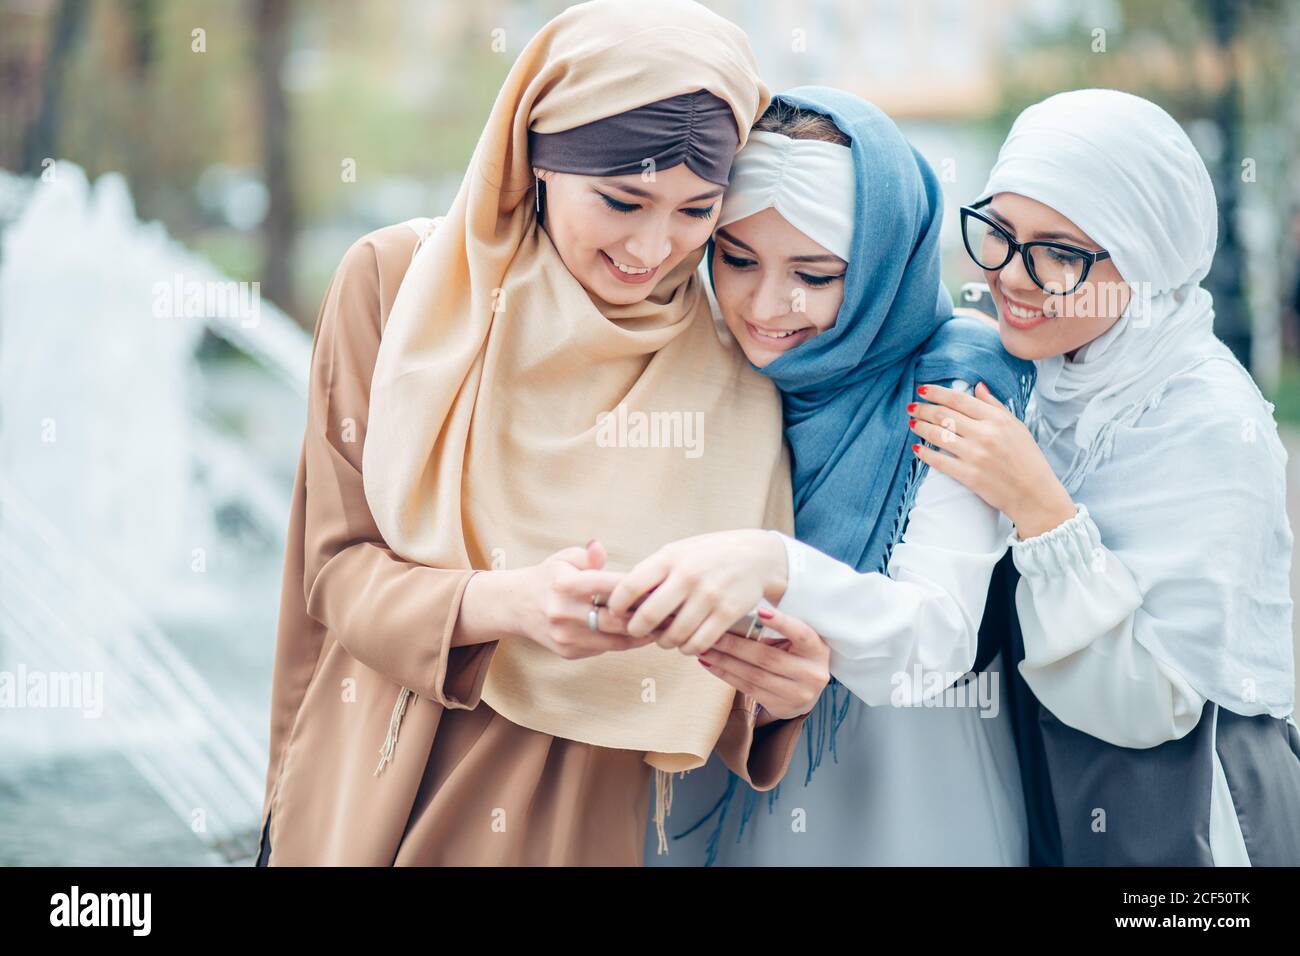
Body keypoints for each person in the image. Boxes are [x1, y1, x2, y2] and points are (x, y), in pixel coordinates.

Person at [256, 0, 827, 867]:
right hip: (387, 773)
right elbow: (333, 568)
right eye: (623, 199)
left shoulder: (740, 354)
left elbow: (735, 653)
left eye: (695, 210)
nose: (653, 246)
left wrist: (782, 692)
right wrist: (508, 603)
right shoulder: (399, 286)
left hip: (583, 811)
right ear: (539, 158)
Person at [611, 88, 1036, 865]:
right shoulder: (692, 360)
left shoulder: (952, 380)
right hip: (710, 764)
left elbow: (932, 641)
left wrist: (772, 565)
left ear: (882, 265)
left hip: (901, 787)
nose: (768, 304)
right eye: (736, 259)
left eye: (814, 272)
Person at [912, 88, 1300, 865]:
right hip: (1056, 793)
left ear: (1148, 254)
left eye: (1060, 252)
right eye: (999, 232)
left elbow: (1154, 702)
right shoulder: (1046, 373)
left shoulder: (1205, 419)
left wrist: (1038, 506)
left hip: (1185, 818)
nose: (1013, 277)